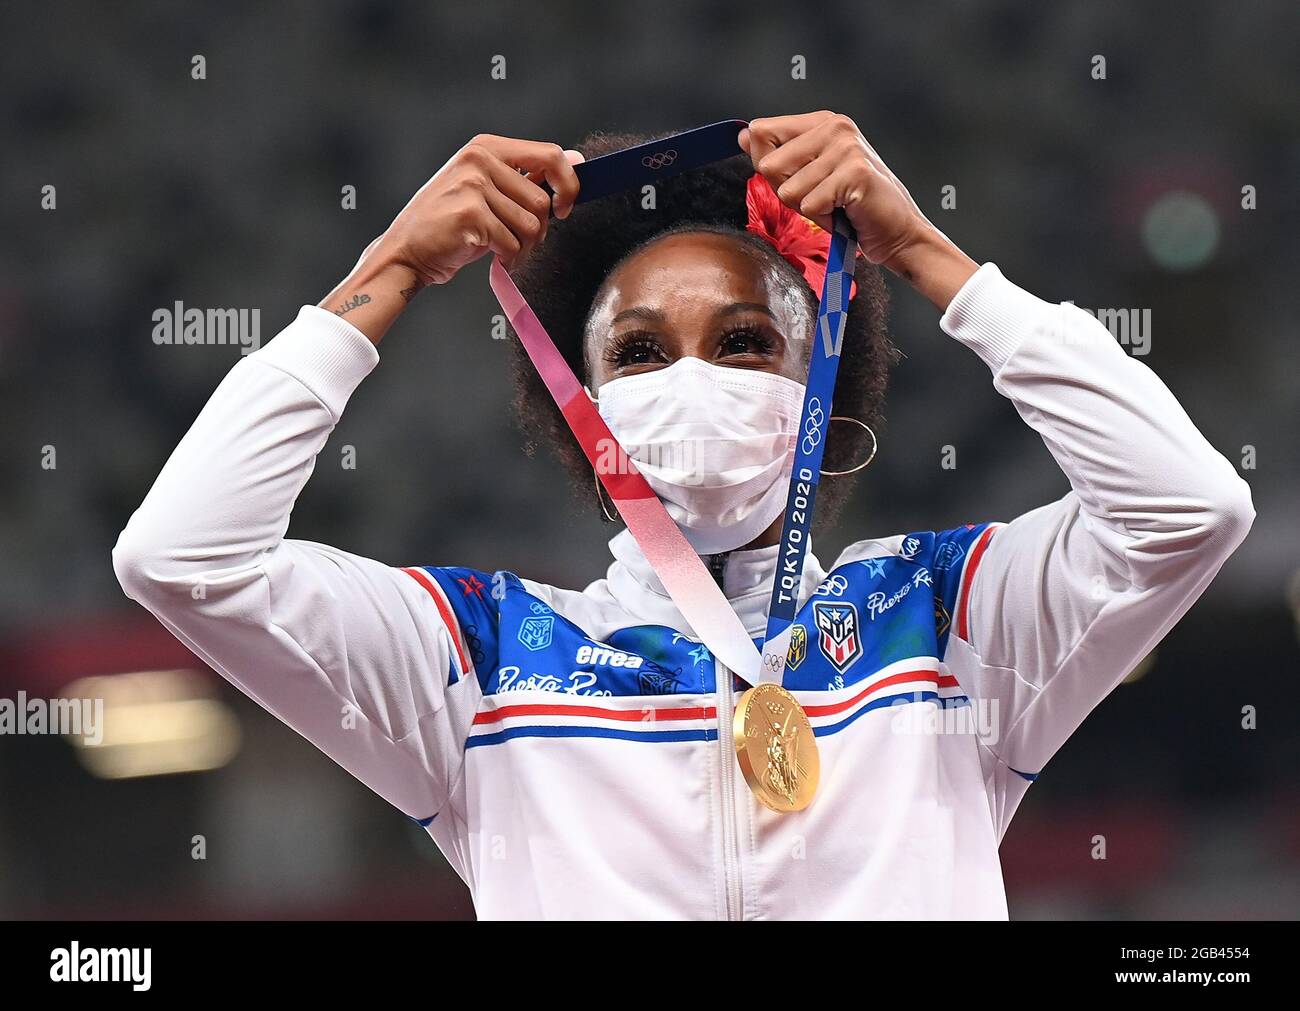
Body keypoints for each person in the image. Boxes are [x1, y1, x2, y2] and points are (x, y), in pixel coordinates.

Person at [113, 112, 1254, 919]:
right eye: (643, 351)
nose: (694, 376)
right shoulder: (477, 660)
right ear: (584, 404)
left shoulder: (949, 623)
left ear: (819, 385)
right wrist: (388, 271)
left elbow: (1185, 508)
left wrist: (923, 254)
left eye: (745, 342)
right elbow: (181, 559)